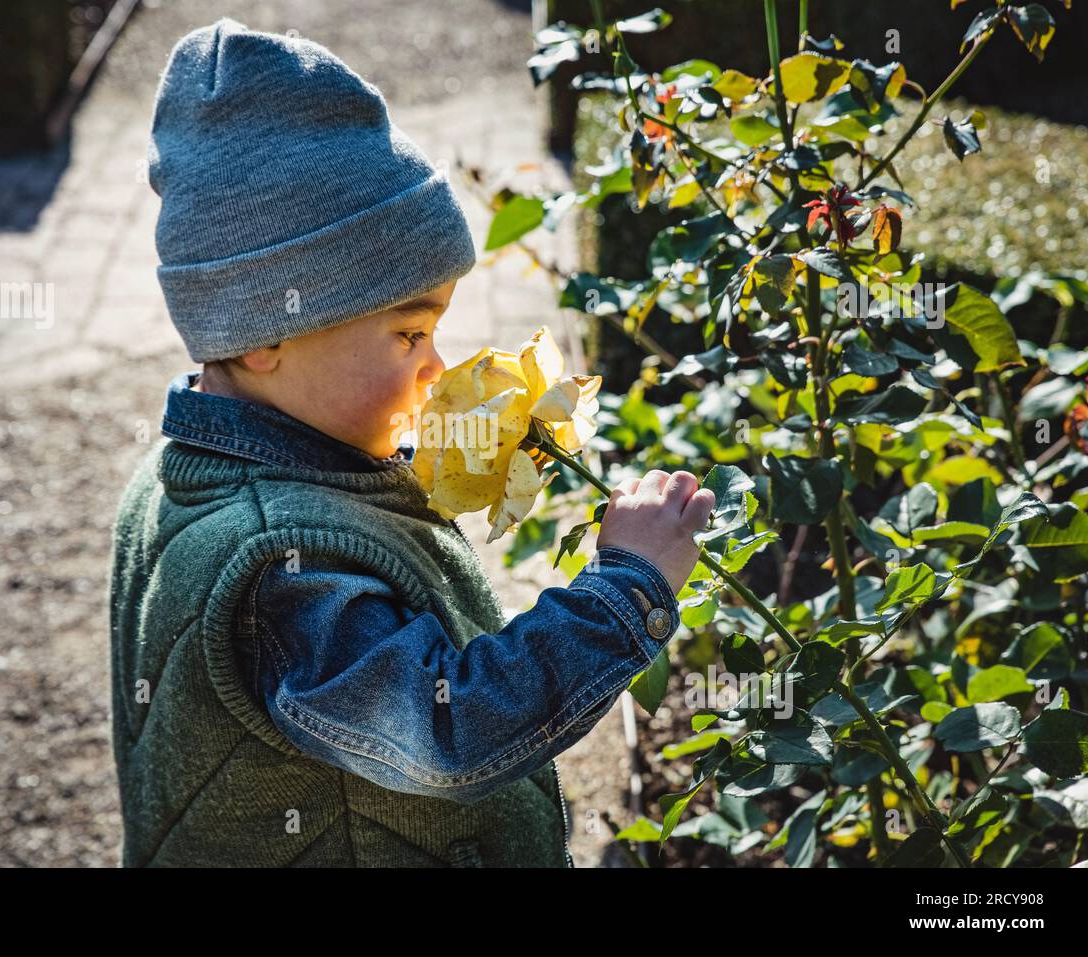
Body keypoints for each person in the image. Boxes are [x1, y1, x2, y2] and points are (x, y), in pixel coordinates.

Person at [108, 18, 716, 868]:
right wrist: (627, 588)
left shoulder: (199, 473)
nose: (436, 367)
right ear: (263, 335)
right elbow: (445, 730)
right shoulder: (277, 564)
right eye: (408, 336)